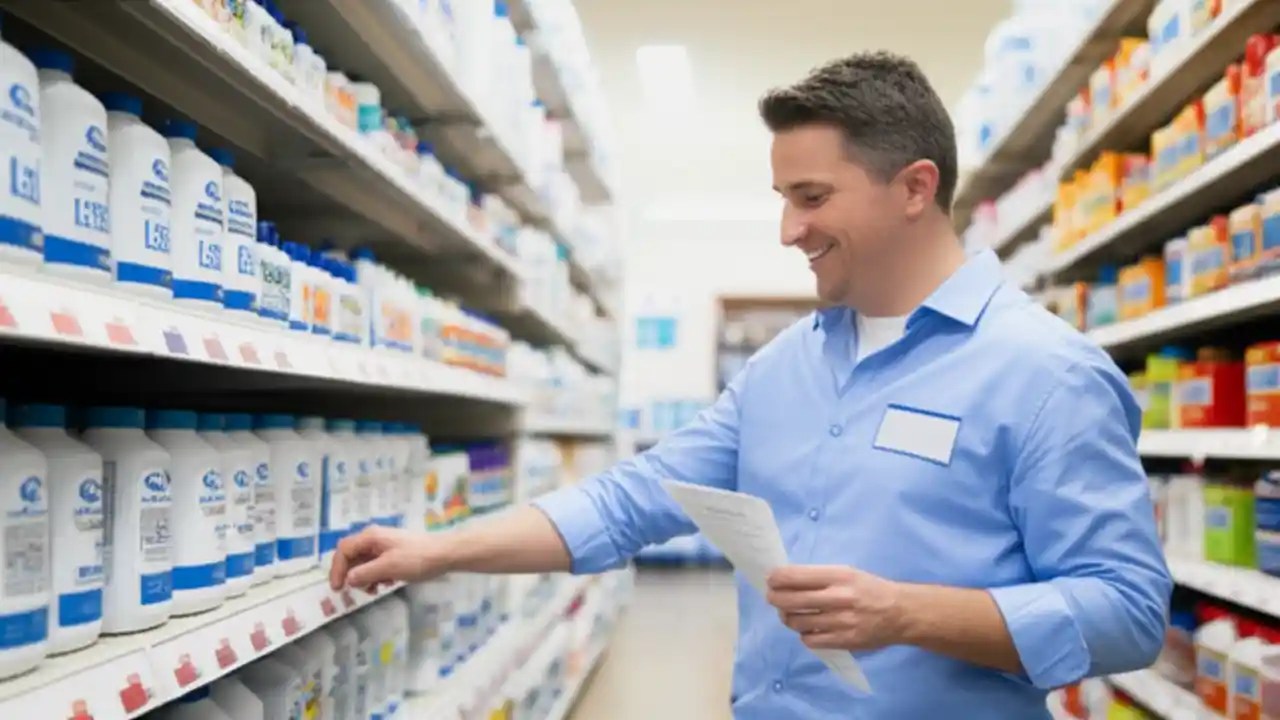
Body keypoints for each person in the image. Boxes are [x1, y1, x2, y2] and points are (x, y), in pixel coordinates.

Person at [330, 51, 1172, 718]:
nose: (787, 230)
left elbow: (1129, 611)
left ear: (915, 187)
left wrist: (906, 613)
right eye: (782, 198)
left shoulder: (1047, 374)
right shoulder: (785, 368)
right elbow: (636, 499)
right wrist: (434, 550)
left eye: (811, 197)